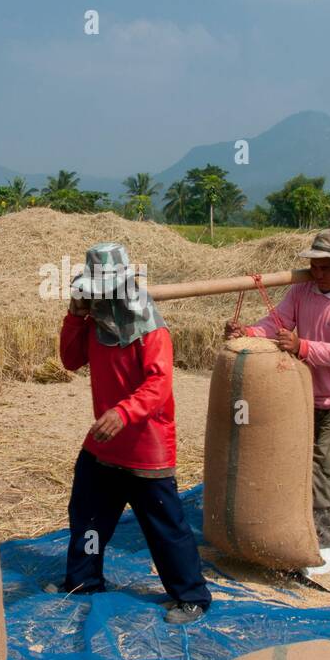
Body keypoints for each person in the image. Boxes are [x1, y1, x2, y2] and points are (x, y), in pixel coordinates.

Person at [55, 242, 212, 624]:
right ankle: (83, 580)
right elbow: (70, 360)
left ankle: (191, 596)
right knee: (88, 514)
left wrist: (123, 413)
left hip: (146, 444)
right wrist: (74, 317)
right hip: (104, 442)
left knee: (164, 525)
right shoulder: (95, 323)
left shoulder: (151, 329)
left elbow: (159, 386)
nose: (95, 300)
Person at [224, 229, 330, 547]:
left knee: (323, 463)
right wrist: (247, 330)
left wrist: (301, 346)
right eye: (314, 267)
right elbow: (277, 321)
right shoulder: (303, 290)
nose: (317, 274)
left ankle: (319, 540)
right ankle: (323, 519)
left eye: (325, 268)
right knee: (307, 462)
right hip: (308, 393)